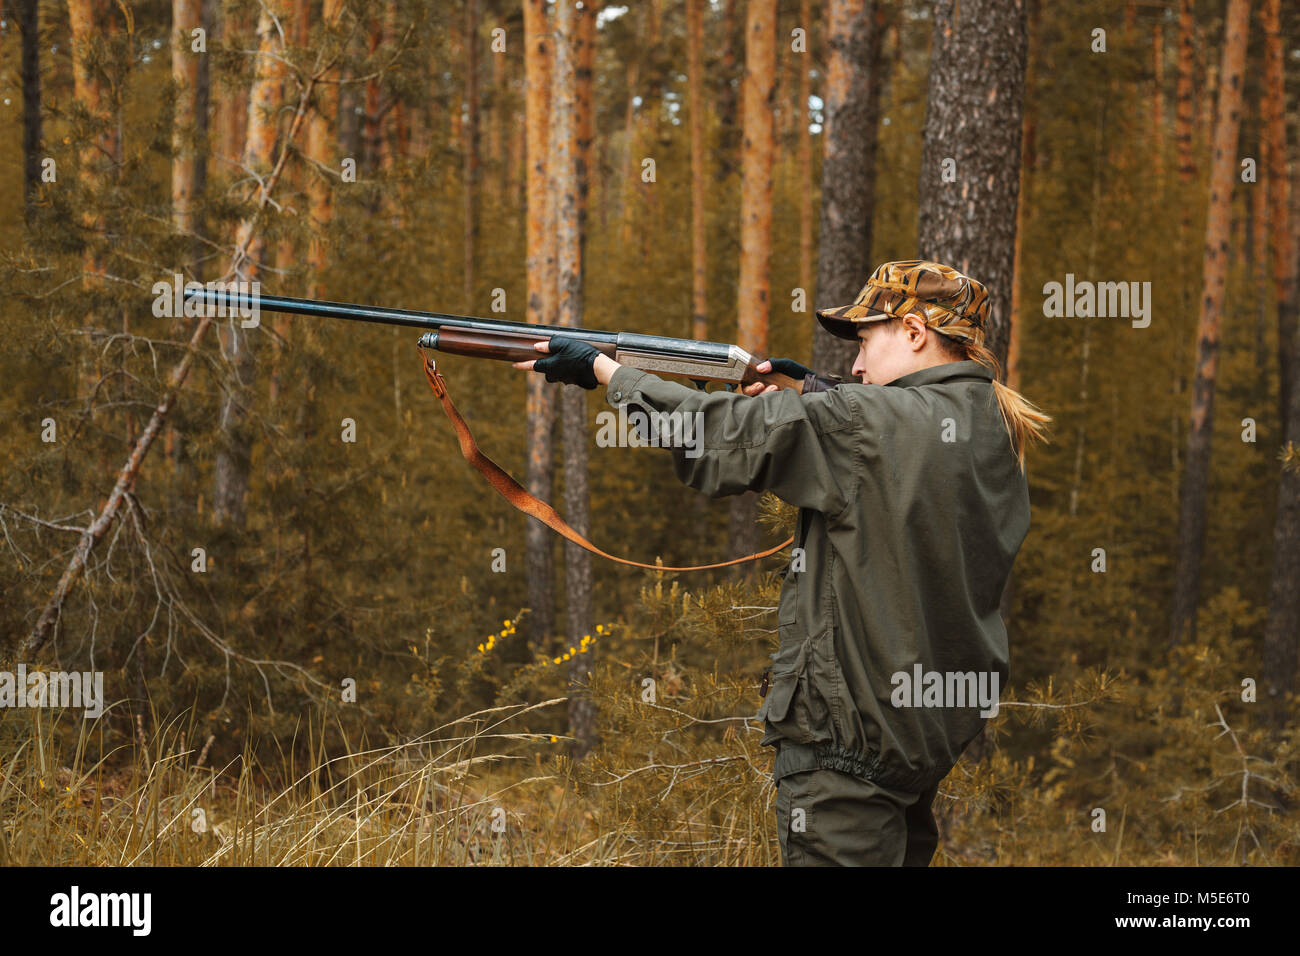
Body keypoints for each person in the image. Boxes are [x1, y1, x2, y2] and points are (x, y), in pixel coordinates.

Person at [514, 259, 1050, 866]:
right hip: (917, 749)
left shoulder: (865, 423)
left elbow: (712, 435)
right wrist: (816, 393)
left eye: (867, 340)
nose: (856, 365)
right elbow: (894, 456)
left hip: (846, 754)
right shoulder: (993, 429)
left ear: (914, 331)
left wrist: (606, 372)